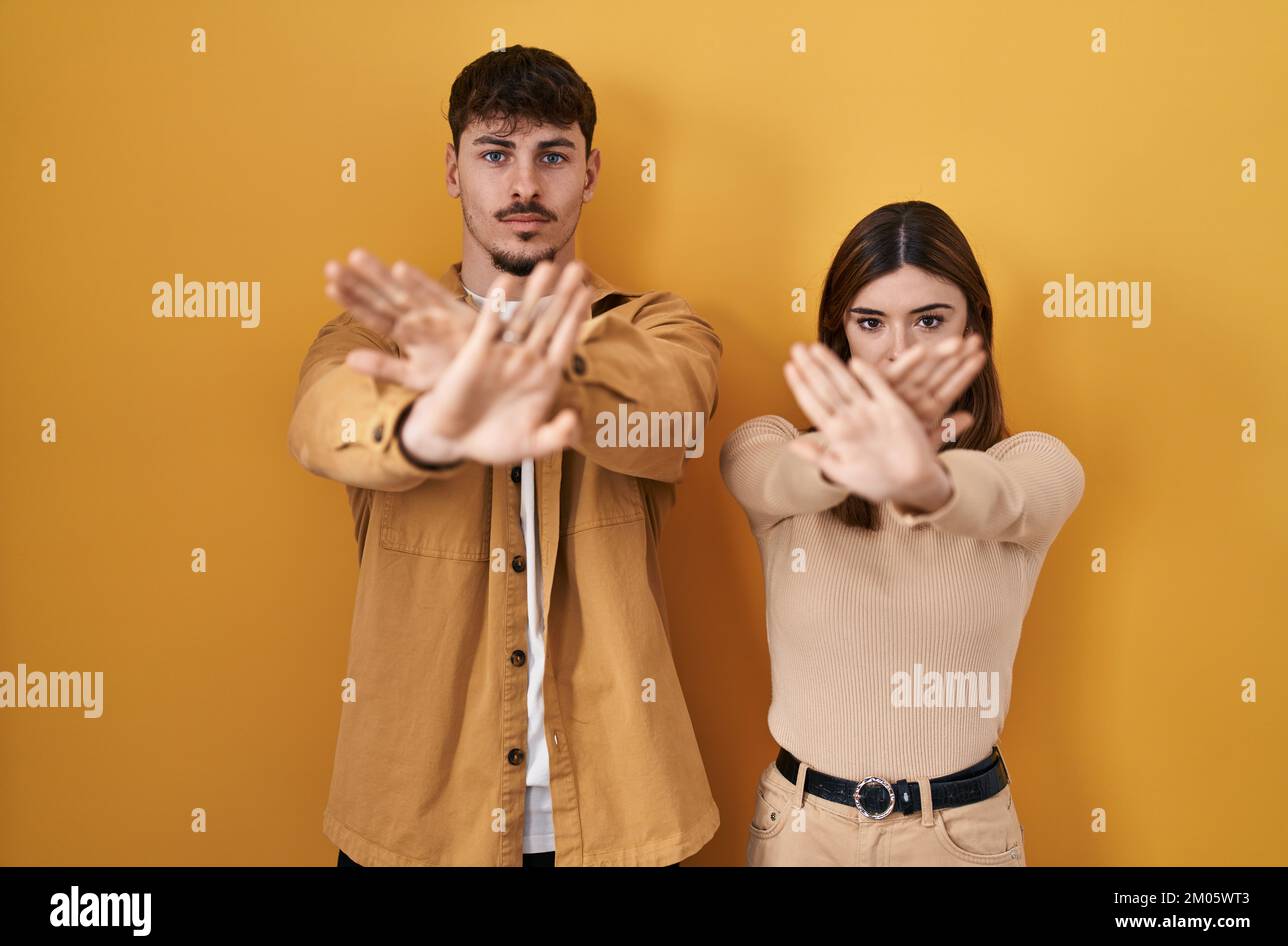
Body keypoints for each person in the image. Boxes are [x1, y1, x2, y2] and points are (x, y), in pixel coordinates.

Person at [288, 45, 720, 866]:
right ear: (454, 169)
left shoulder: (659, 327)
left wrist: (538, 373)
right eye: (496, 153)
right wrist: (430, 431)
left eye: (551, 156)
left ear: (589, 173)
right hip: (417, 824)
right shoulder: (378, 336)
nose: (524, 185)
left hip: (620, 818)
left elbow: (673, 414)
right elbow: (322, 423)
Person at [719, 200, 1084, 866]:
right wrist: (851, 453)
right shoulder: (770, 448)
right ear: (841, 334)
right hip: (801, 832)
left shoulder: (1032, 463)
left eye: (930, 320)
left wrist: (926, 484)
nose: (900, 351)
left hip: (957, 838)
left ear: (976, 326)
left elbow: (1003, 501)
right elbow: (769, 479)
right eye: (871, 322)